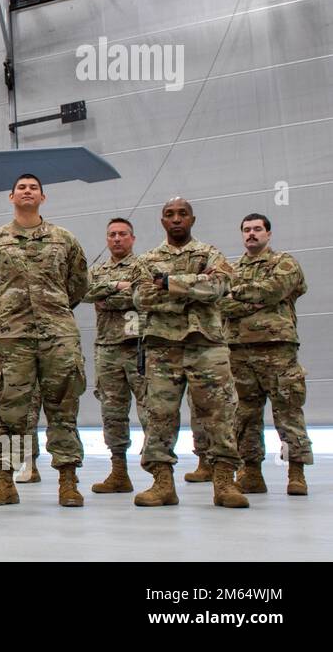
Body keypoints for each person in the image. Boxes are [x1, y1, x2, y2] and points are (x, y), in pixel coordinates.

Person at [132, 198, 248, 509]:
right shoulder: (147, 259)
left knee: (220, 414)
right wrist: (196, 284)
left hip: (206, 345)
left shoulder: (211, 253)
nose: (176, 219)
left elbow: (219, 287)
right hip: (162, 348)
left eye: (182, 214)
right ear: (162, 221)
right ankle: (162, 483)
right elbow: (142, 297)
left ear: (192, 219)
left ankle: (224, 481)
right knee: (158, 416)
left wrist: (168, 283)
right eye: (170, 215)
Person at [0, 174, 89, 509]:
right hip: (11, 338)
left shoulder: (64, 239)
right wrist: (4, 312)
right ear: (11, 196)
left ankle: (68, 482)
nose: (27, 192)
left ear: (43, 196)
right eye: (21, 188)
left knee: (63, 409)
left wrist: (53, 310)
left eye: (33, 188)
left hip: (58, 335)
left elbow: (79, 284)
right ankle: (4, 482)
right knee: (10, 412)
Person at [220, 213, 312, 496]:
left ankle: (296, 473)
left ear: (268, 234)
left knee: (288, 409)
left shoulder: (284, 262)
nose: (251, 234)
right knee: (244, 415)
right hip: (240, 351)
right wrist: (256, 302)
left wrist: (241, 298)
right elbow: (221, 303)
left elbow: (275, 289)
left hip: (277, 349)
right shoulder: (231, 270)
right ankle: (251, 473)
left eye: (257, 229)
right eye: (246, 230)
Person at [83, 218, 147, 494]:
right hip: (107, 348)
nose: (117, 239)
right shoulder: (98, 270)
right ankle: (119, 471)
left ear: (132, 238)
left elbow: (142, 296)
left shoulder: (144, 267)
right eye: (112, 235)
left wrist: (109, 296)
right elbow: (85, 293)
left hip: (139, 347)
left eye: (122, 234)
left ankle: (159, 472)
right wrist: (117, 287)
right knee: (112, 412)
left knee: (151, 410)